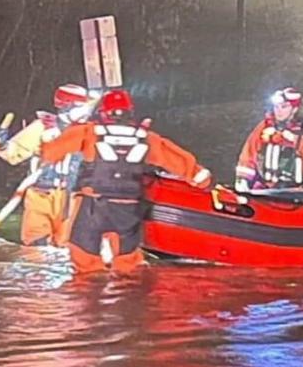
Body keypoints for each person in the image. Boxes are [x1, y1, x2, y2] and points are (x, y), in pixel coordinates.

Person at [38, 89, 213, 274]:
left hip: (92, 206)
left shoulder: (88, 131)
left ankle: (89, 298)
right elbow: (179, 161)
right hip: (128, 209)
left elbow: (50, 153)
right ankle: (129, 298)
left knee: (85, 261)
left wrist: (48, 137)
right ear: (130, 112)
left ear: (103, 112)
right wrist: (203, 180)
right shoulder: (147, 138)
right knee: (128, 264)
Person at [0, 84, 97, 246]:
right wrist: (1, 144)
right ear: (65, 106)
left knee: (69, 247)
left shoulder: (91, 131)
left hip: (73, 197)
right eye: (80, 106)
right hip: (41, 194)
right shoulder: (42, 127)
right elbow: (14, 153)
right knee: (36, 247)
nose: (85, 111)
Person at [233, 86, 303, 192]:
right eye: (276, 107)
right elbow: (248, 155)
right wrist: (242, 180)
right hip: (262, 189)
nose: (279, 111)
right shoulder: (263, 128)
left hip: (293, 191)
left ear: (294, 109)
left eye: (284, 107)